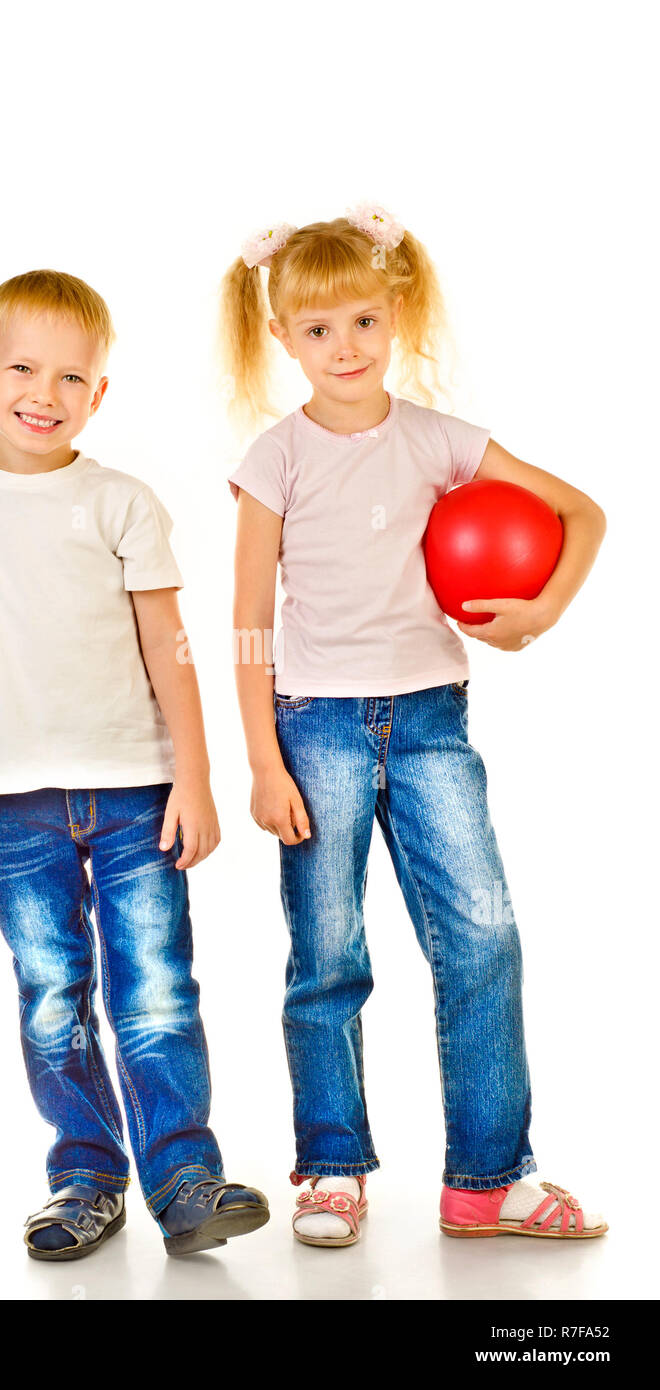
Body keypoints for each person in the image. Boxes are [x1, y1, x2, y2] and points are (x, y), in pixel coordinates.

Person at [0, 268, 269, 1260]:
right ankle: (86, 1175)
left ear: (97, 394)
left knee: (154, 989)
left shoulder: (120, 502)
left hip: (134, 796)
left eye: (72, 377)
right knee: (49, 996)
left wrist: (192, 778)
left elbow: (169, 648)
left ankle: (184, 1178)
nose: (44, 392)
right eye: (22, 367)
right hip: (16, 805)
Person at [219, 204, 607, 1246]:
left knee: (482, 934)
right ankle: (331, 1166)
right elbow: (249, 619)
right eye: (315, 331)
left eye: (360, 321)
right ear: (282, 339)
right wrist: (262, 757)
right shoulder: (276, 458)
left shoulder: (441, 439)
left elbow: (582, 514)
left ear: (394, 317)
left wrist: (542, 609)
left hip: (432, 721)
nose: (342, 348)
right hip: (315, 728)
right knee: (328, 952)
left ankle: (487, 1177)